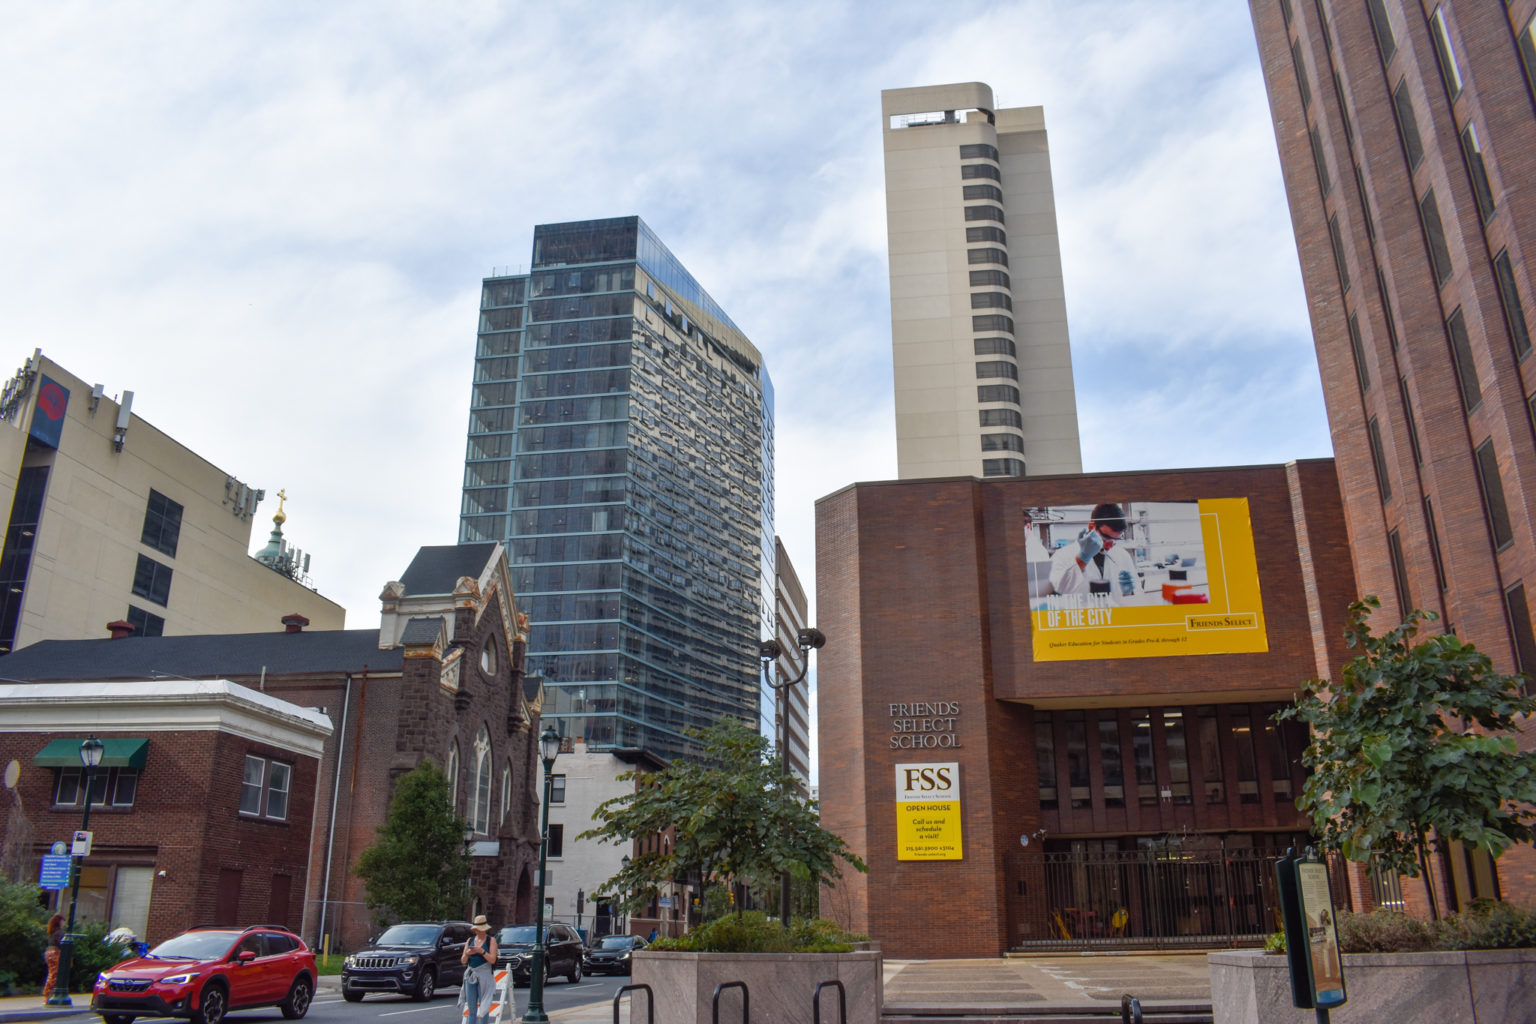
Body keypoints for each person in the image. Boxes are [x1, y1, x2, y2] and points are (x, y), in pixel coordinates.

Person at [1048, 503, 1140, 603]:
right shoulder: (1063, 556)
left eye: (1116, 539)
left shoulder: (1122, 556)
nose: (1111, 545)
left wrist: (1130, 593)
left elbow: (1138, 597)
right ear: (1092, 527)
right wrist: (1082, 559)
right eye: (1106, 537)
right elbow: (1054, 595)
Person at [459, 915, 499, 1024]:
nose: (478, 932)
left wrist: (482, 951)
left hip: (485, 975)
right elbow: (463, 961)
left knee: (484, 1008)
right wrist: (467, 953)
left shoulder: (491, 940)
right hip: (471, 976)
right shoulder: (470, 940)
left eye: (480, 930)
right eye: (477, 930)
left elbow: (492, 960)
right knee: (471, 1009)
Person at [42, 913, 64, 1003]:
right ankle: (49, 994)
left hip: (49, 952)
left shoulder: (52, 932)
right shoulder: (59, 932)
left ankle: (47, 994)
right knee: (55, 974)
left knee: (51, 973)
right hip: (55, 953)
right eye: (62, 921)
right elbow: (62, 943)